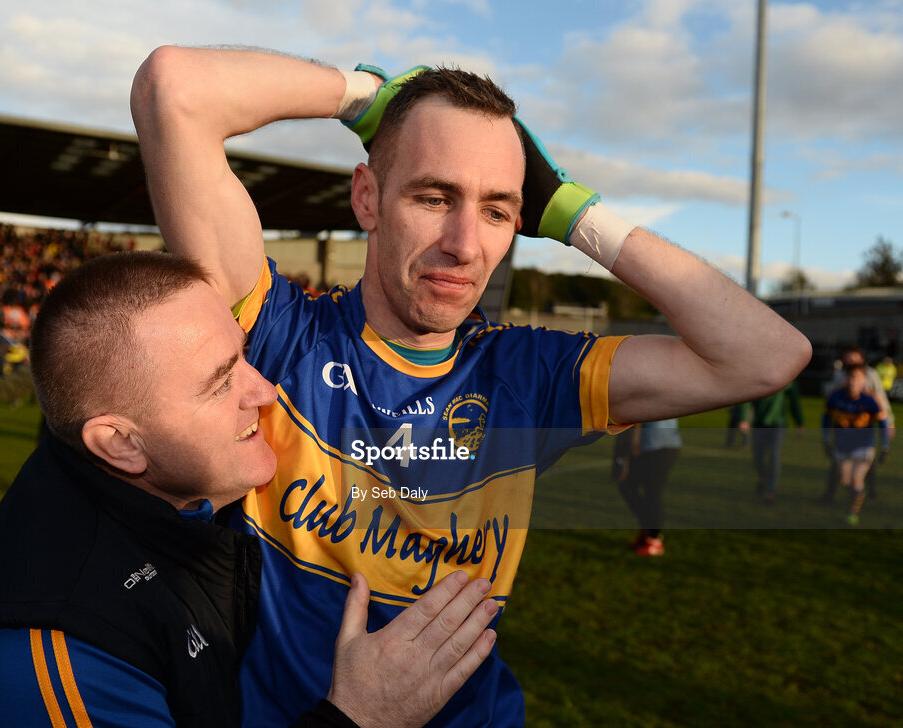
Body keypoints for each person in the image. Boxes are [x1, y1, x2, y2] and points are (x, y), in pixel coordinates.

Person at [130, 49, 811, 726]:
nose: (464, 243)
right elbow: (174, 88)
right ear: (367, 197)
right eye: (434, 197)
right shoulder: (279, 334)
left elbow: (765, 356)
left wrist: (577, 215)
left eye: (496, 211)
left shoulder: (529, 379)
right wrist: (365, 97)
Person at [0, 252, 498, 728]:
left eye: (243, 355)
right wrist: (361, 717)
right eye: (219, 383)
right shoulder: (50, 652)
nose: (266, 392)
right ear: (120, 444)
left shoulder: (178, 493)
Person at [821, 348, 894, 502]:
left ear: (861, 359)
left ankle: (868, 492)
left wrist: (889, 421)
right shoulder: (841, 375)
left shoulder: (870, 374)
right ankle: (833, 492)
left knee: (865, 465)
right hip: (843, 429)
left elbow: (880, 398)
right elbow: (830, 398)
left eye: (854, 359)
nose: (851, 362)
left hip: (863, 427)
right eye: (848, 359)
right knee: (839, 467)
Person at [613, 419, 681, 556]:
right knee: (627, 486)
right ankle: (648, 529)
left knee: (652, 492)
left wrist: (633, 442)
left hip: (659, 446)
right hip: (649, 444)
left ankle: (654, 539)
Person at [732, 381, 804, 504]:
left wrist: (799, 421)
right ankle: (763, 477)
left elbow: (794, 400)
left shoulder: (785, 375)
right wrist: (743, 418)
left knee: (774, 455)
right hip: (759, 422)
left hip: (778, 423)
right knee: (757, 457)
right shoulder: (758, 374)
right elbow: (746, 396)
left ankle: (770, 491)